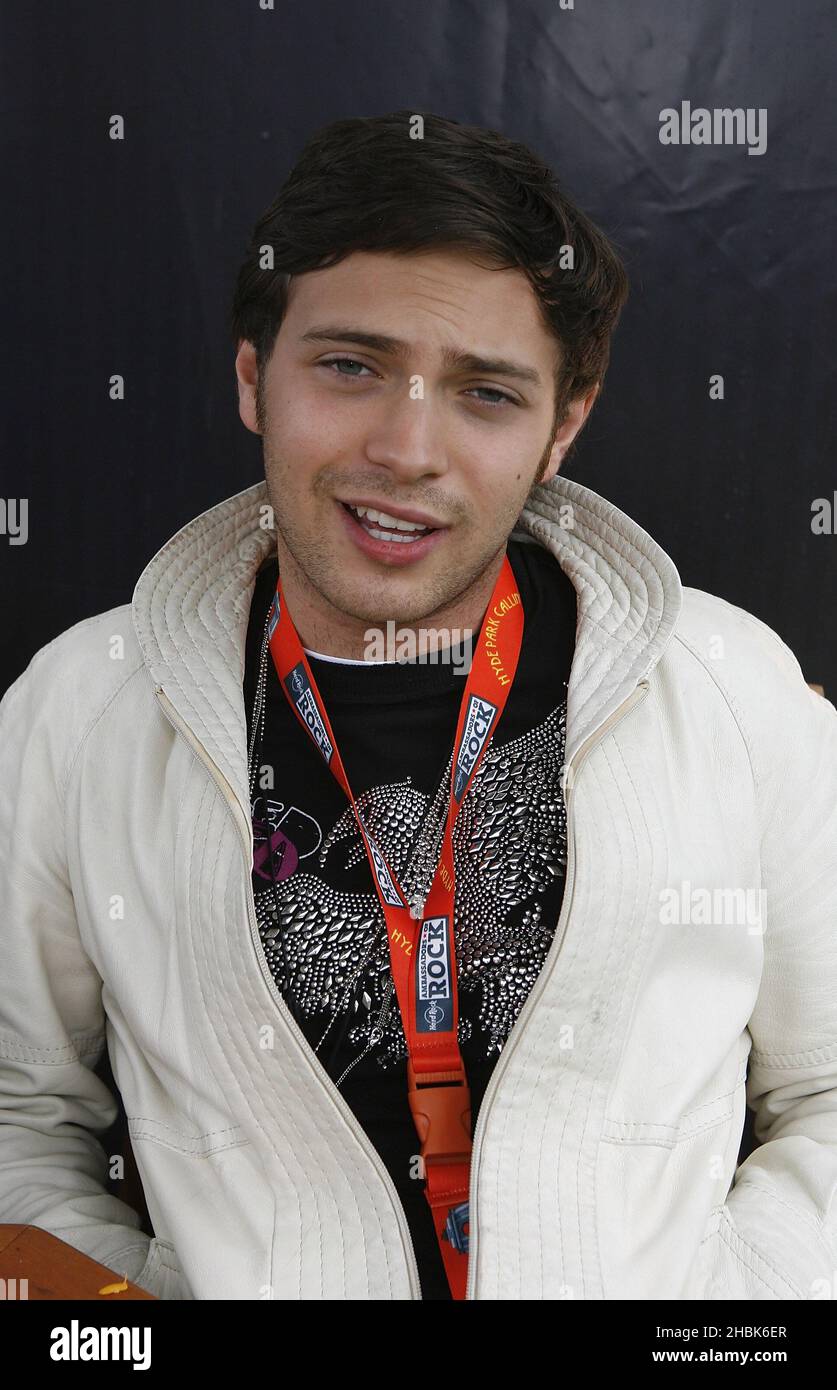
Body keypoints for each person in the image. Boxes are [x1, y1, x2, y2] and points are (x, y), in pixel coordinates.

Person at [1, 110, 836, 1302]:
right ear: (253, 376)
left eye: (486, 394)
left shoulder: (733, 687)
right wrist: (127, 1316)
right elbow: (15, 1103)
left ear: (566, 428)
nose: (405, 447)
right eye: (348, 366)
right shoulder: (79, 706)